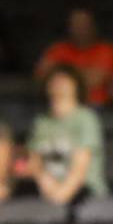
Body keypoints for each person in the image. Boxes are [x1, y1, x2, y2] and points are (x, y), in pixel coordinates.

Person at [25, 67, 106, 207]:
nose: (58, 84)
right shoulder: (41, 122)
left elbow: (80, 168)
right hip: (47, 186)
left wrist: (61, 195)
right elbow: (34, 159)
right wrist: (44, 179)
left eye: (64, 80)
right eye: (54, 81)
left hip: (83, 188)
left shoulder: (86, 118)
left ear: (76, 86)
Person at [35, 8, 113, 107]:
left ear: (93, 27)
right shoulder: (58, 49)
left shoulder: (106, 50)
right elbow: (40, 75)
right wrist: (81, 73)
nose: (78, 29)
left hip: (96, 107)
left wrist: (59, 72)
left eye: (83, 25)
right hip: (59, 107)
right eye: (74, 24)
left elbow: (94, 80)